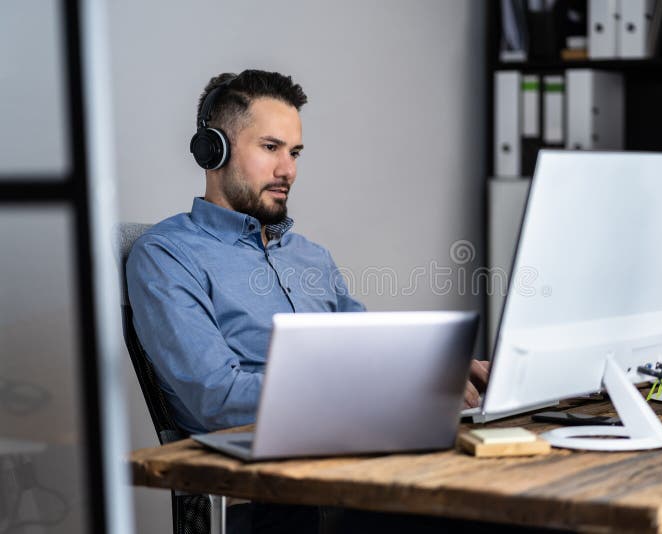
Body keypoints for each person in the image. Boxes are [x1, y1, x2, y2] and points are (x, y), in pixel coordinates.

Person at [126, 69, 489, 533]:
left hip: (360, 464)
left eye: (294, 152)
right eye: (270, 148)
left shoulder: (310, 257)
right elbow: (215, 399)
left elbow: (372, 353)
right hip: (270, 494)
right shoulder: (166, 255)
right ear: (211, 149)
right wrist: (385, 389)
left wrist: (437, 371)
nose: (288, 171)